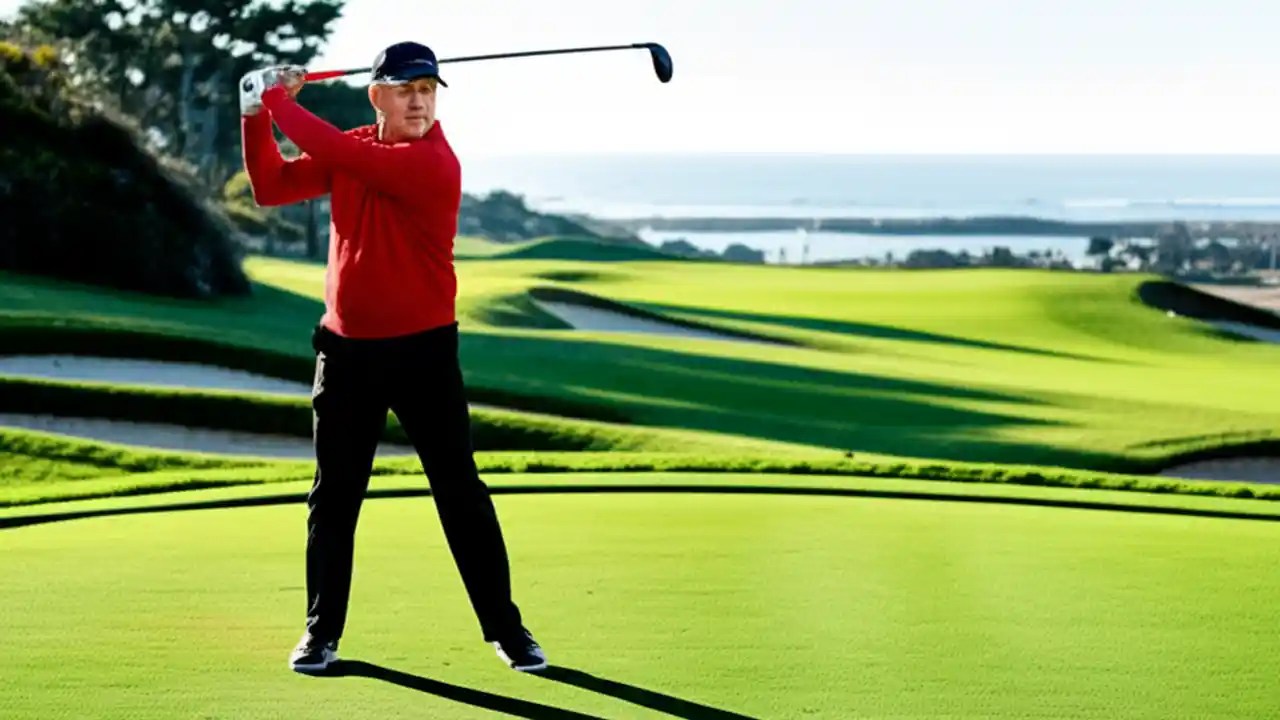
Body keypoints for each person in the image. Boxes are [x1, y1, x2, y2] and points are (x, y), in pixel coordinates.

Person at [237, 41, 546, 675]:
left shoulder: (434, 163)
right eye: (405, 90)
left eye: (428, 90)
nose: (419, 101)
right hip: (346, 354)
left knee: (459, 491)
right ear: (376, 94)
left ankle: (508, 631)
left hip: (424, 355)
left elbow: (333, 149)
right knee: (334, 497)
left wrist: (272, 98)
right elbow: (269, 187)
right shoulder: (357, 149)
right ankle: (321, 634)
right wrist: (252, 117)